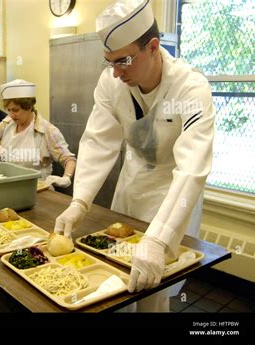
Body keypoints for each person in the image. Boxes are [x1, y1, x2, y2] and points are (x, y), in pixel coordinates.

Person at [54, 0, 215, 312]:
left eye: (123, 61)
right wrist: (80, 202)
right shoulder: (111, 84)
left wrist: (158, 239)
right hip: (131, 186)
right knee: (117, 277)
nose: (115, 73)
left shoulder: (190, 87)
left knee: (153, 288)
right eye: (108, 62)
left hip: (172, 195)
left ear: (153, 46)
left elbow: (192, 166)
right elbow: (99, 142)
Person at [0, 79, 76, 188]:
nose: (12, 115)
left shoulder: (47, 130)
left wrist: (66, 177)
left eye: (15, 110)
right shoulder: (7, 123)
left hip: (36, 189)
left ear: (29, 106)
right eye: (9, 110)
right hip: (8, 185)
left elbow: (68, 159)